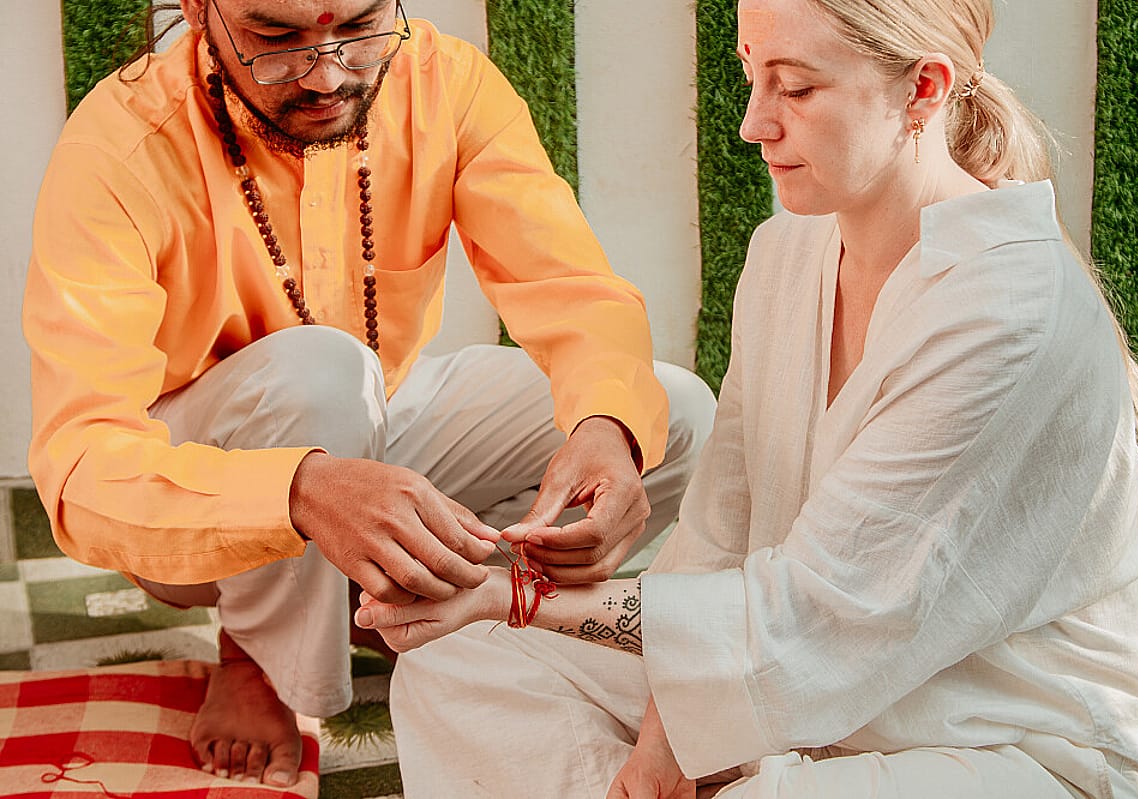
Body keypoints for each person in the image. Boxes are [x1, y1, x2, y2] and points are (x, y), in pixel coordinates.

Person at [358, 0, 1138, 796]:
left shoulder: (1011, 310)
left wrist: (513, 590)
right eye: (751, 74)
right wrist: (664, 740)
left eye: (796, 87)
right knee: (459, 661)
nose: (755, 122)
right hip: (803, 686)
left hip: (1005, 735)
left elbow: (818, 617)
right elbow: (719, 530)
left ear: (923, 89)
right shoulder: (787, 250)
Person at [21, 0, 717, 788]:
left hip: (384, 404)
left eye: (355, 25)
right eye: (275, 38)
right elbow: (81, 466)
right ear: (195, 8)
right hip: (193, 471)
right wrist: (300, 489)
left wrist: (604, 424)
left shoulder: (447, 84)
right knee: (322, 372)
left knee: (672, 413)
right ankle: (260, 656)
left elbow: (568, 289)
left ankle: (419, 593)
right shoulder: (120, 143)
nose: (326, 73)